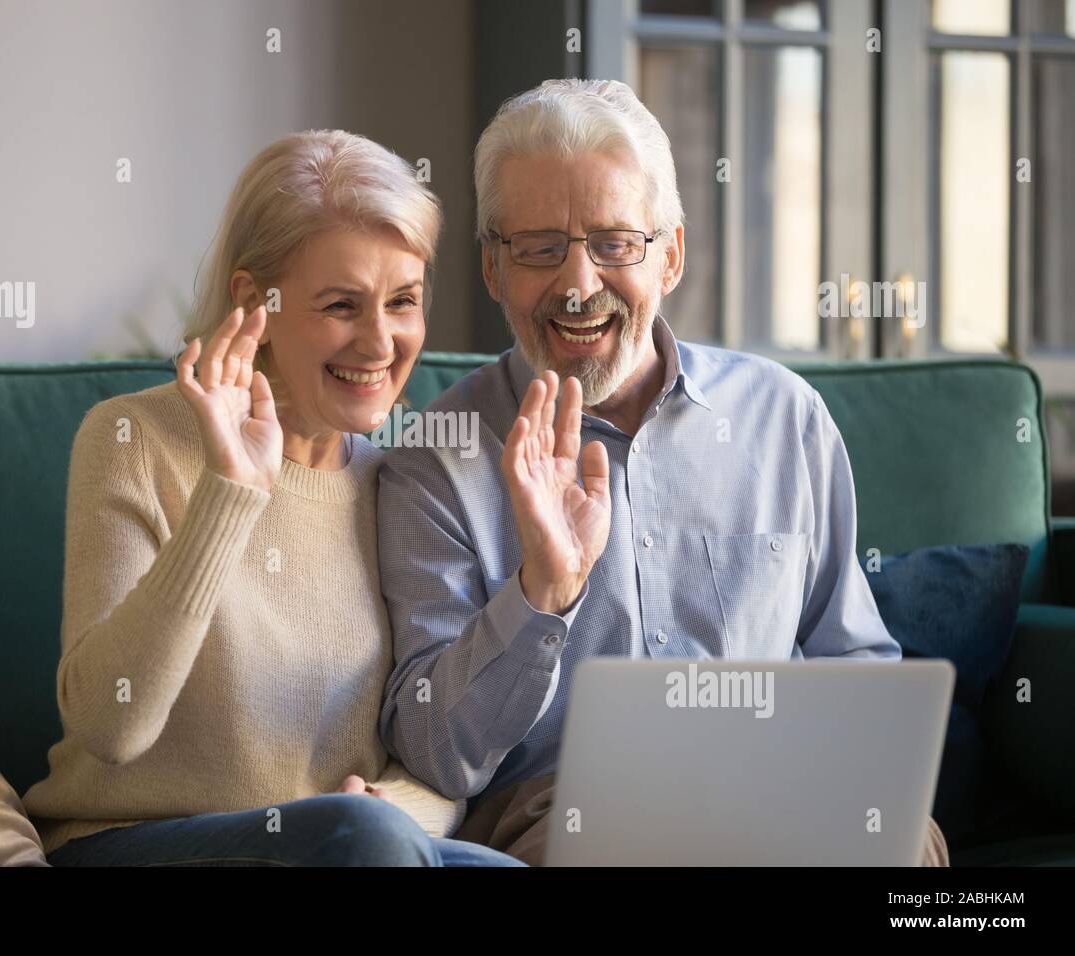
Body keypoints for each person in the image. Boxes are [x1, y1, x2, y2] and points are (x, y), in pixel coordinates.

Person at [377, 79, 949, 867]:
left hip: (780, 783)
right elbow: (432, 747)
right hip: (567, 810)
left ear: (670, 254)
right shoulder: (432, 463)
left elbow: (854, 658)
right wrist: (542, 594)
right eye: (541, 247)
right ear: (492, 269)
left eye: (614, 243)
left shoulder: (784, 419)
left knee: (905, 843)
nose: (578, 286)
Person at [22, 129, 522, 867]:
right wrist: (230, 493)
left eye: (403, 301)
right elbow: (110, 725)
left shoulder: (400, 484)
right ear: (255, 301)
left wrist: (395, 806)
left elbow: (436, 746)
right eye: (342, 306)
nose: (382, 343)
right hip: (131, 846)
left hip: (344, 848)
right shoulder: (132, 439)